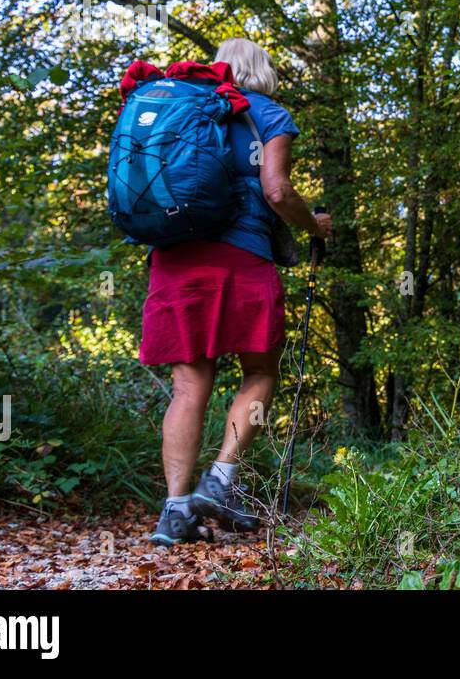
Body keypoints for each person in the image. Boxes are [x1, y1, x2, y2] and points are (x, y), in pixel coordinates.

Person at [140, 37, 332, 545]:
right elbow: (276, 190)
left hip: (176, 259)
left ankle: (174, 513)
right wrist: (314, 225)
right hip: (240, 259)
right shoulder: (266, 113)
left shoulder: (181, 106)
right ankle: (220, 480)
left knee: (189, 385)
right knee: (261, 371)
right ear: (263, 70)